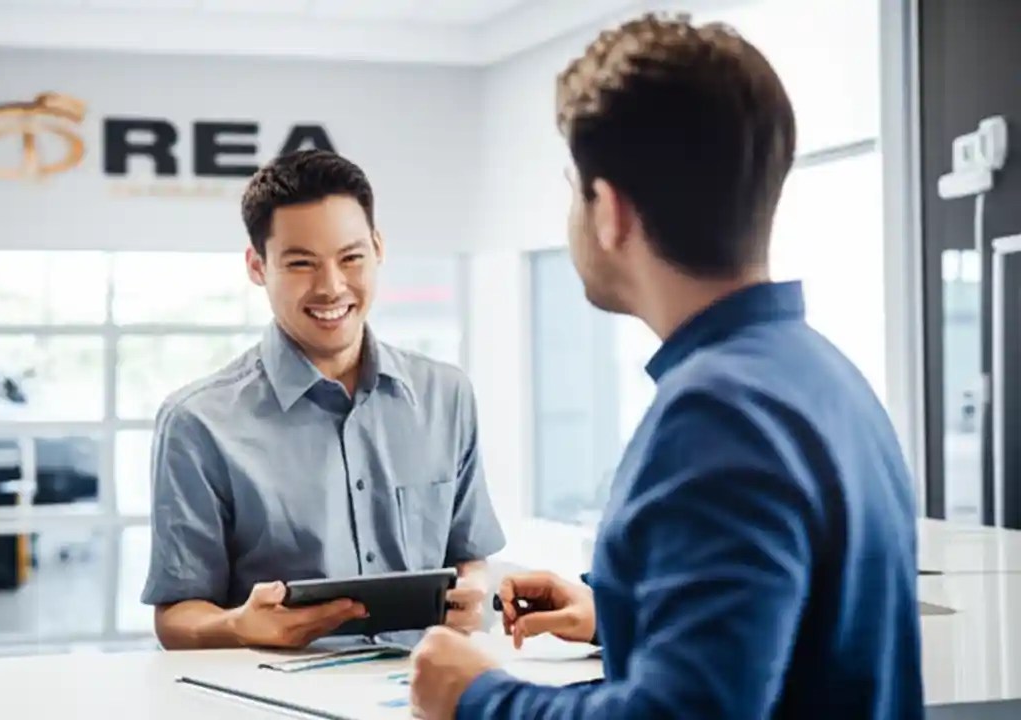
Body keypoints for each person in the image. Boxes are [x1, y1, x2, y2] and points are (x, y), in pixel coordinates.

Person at [409, 13, 924, 720]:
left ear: (611, 212)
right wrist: (623, 613)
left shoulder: (718, 414)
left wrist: (477, 696)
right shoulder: (825, 378)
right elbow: (780, 650)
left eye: (573, 189)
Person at [142, 149, 505, 650]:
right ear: (257, 265)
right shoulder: (197, 422)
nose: (332, 287)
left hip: (424, 693)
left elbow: (470, 556)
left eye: (351, 258)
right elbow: (176, 616)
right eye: (301, 263)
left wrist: (473, 594)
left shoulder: (447, 395)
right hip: (274, 699)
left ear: (378, 248)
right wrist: (236, 625)